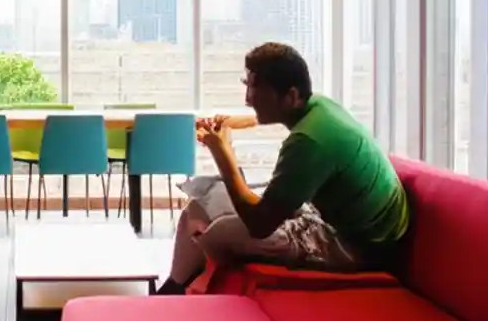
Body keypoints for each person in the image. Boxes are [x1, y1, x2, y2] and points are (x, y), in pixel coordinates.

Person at [158, 42, 410, 295]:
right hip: (327, 216)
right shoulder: (317, 105)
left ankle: (209, 301)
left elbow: (259, 225)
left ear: (290, 96)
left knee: (219, 235)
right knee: (197, 206)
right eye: (248, 86)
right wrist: (233, 123)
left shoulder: (308, 142)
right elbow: (270, 114)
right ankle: (172, 290)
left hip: (356, 246)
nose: (248, 100)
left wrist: (221, 152)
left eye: (256, 90)